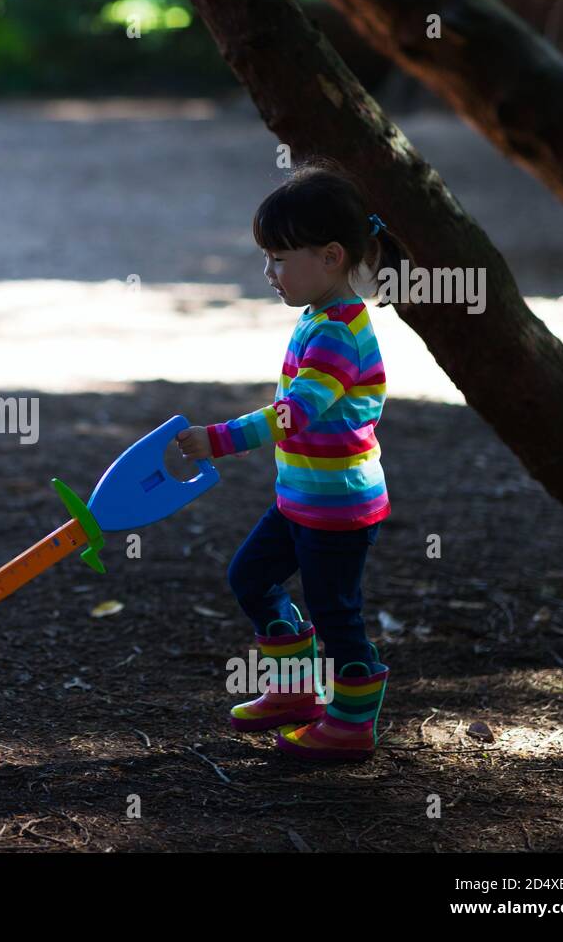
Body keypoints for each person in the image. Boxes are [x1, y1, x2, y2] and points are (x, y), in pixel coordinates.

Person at [176, 159, 413, 760]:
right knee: (250, 578)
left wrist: (219, 439)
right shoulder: (318, 318)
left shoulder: (339, 333)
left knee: (336, 614)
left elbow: (294, 414)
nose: (269, 272)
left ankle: (353, 721)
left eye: (280, 258)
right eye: (268, 257)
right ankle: (294, 690)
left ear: (331, 256)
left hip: (337, 507)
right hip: (303, 498)